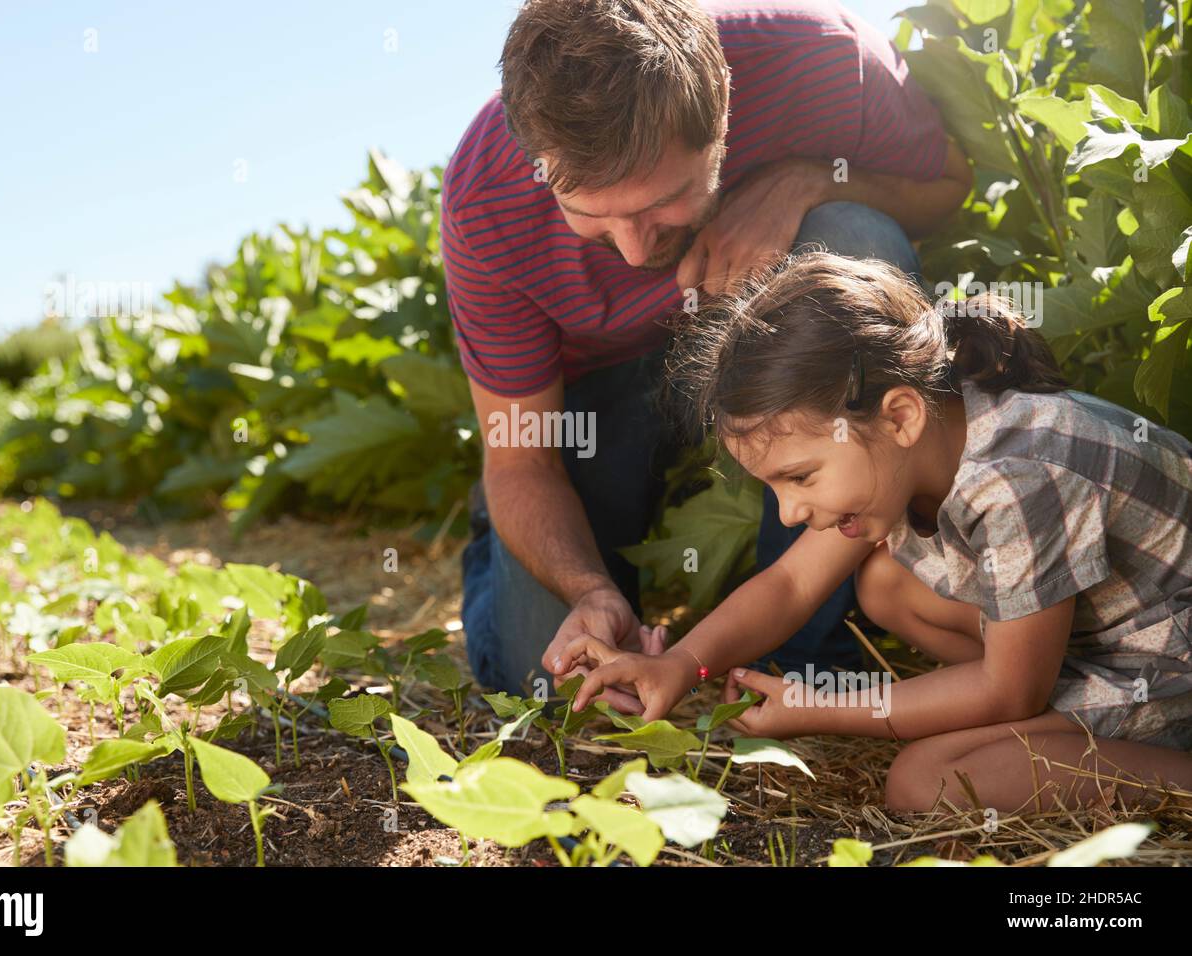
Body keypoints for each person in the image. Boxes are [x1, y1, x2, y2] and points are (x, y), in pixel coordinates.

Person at [444, 0, 973, 705]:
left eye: (663, 202)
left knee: (855, 233)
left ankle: (804, 658)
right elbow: (521, 454)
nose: (636, 251)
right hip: (594, 400)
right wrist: (587, 588)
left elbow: (948, 185)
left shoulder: (823, 57)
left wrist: (815, 180)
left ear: (722, 109)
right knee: (541, 679)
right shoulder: (485, 196)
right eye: (594, 216)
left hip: (769, 341)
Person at [555, 252, 1192, 813]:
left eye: (800, 476)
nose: (787, 513)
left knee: (923, 781)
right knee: (884, 582)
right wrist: (677, 665)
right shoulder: (920, 436)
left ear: (900, 417)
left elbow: (1011, 690)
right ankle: (1047, 716)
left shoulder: (1017, 478)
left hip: (1167, 663)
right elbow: (789, 583)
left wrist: (816, 708)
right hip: (1106, 635)